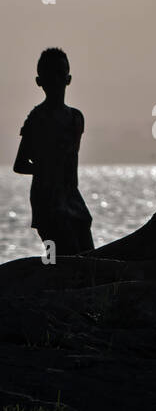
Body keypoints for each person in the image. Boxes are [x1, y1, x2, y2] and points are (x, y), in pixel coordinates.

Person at [12, 47, 93, 258]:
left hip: (72, 199)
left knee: (87, 255)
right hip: (46, 203)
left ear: (68, 78)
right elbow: (19, 164)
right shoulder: (37, 120)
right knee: (58, 257)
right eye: (50, 75)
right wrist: (46, 168)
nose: (56, 80)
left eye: (60, 74)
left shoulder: (76, 119)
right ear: (40, 81)